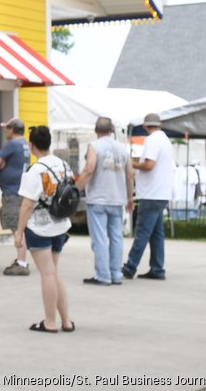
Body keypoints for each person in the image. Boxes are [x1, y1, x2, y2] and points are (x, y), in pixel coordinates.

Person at [15, 126, 73, 333]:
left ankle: (49, 322)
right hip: (61, 224)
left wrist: (18, 231)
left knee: (47, 274)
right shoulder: (64, 165)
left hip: (40, 228)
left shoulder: (36, 170)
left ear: (31, 145)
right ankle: (66, 320)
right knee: (54, 272)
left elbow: (27, 204)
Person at [80, 116, 133, 285]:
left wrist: (76, 188)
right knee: (117, 237)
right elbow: (130, 174)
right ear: (111, 131)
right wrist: (129, 197)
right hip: (117, 199)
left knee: (100, 238)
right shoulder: (122, 148)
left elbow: (89, 169)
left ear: (96, 131)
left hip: (98, 199)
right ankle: (116, 274)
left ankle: (103, 275)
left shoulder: (94, 146)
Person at [121, 112, 174, 280]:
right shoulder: (165, 140)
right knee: (156, 234)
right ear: (160, 124)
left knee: (143, 232)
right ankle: (157, 269)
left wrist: (131, 163)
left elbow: (149, 165)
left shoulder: (152, 140)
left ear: (145, 126)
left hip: (151, 194)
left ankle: (130, 267)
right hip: (162, 193)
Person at [0, 117, 31, 276]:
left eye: (6, 128)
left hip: (12, 193)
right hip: (20, 190)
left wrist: (1, 163)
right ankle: (21, 260)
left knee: (17, 228)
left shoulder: (12, 144)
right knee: (19, 227)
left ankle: (21, 262)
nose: (5, 131)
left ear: (12, 130)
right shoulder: (25, 144)